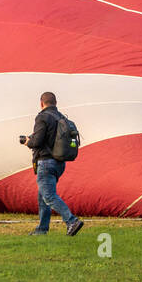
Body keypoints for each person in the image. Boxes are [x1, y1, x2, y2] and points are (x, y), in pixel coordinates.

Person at [22, 91, 84, 236]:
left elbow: (37, 142)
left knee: (49, 196)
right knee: (42, 196)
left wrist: (27, 141)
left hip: (46, 163)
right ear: (55, 103)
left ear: (41, 103)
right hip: (59, 163)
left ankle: (71, 221)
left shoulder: (42, 117)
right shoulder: (61, 117)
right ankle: (42, 229)